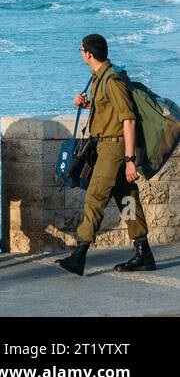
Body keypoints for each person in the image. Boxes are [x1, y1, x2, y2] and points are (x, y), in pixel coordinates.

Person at [56, 34, 152, 275]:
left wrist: (129, 160)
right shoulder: (98, 78)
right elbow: (108, 109)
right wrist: (86, 105)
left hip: (115, 148)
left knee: (95, 197)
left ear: (89, 53)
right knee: (127, 197)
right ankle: (143, 252)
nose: (80, 53)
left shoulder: (112, 80)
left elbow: (128, 119)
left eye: (81, 50)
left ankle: (79, 255)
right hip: (105, 145)